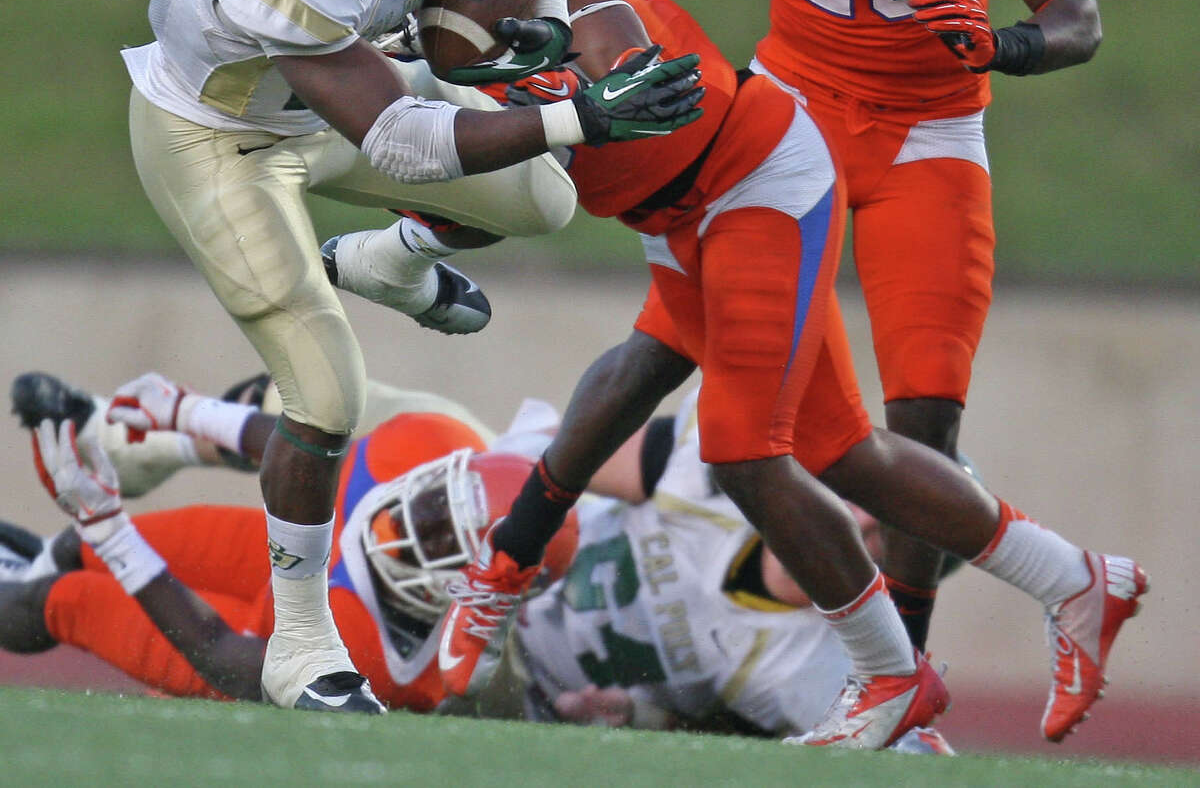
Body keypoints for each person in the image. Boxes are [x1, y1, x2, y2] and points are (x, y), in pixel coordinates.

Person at [429, 0, 1144, 751]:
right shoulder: (407, 15)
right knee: (836, 450)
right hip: (673, 213)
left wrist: (530, 116)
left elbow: (615, 78)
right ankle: (1075, 580)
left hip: (751, 175)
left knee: (740, 449)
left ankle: (890, 671)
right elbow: (464, 174)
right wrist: (426, 220)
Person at [118, 0, 704, 712]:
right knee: (326, 391)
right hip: (216, 134)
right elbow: (399, 140)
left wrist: (552, 25)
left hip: (342, 90)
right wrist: (579, 112)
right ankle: (299, 645)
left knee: (543, 197)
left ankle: (393, 259)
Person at [579, 0, 1103, 653]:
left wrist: (1005, 45)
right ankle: (514, 552)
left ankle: (904, 667)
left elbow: (1075, 17)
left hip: (928, 135)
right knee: (672, 344)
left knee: (925, 416)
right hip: (789, 124)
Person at [4, 370, 956, 751]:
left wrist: (652, 717)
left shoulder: (398, 663)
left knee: (76, 598)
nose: (849, 524)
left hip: (506, 671)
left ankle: (52, 562)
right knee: (387, 417)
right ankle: (126, 451)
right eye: (862, 502)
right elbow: (563, 458)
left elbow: (224, 652)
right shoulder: (432, 461)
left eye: (875, 535)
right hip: (488, 520)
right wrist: (192, 416)